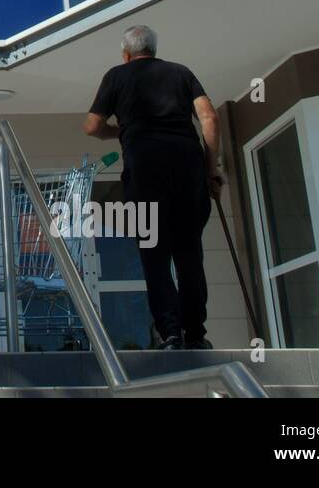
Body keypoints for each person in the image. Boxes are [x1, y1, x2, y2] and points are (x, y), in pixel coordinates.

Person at [82, 25, 226, 351]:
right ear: (154, 50)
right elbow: (210, 118)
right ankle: (195, 333)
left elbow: (91, 126)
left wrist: (122, 130)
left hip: (145, 171)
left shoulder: (116, 76)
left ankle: (170, 333)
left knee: (155, 255)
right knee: (189, 254)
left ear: (126, 54)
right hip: (187, 169)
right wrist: (211, 170)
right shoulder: (181, 73)